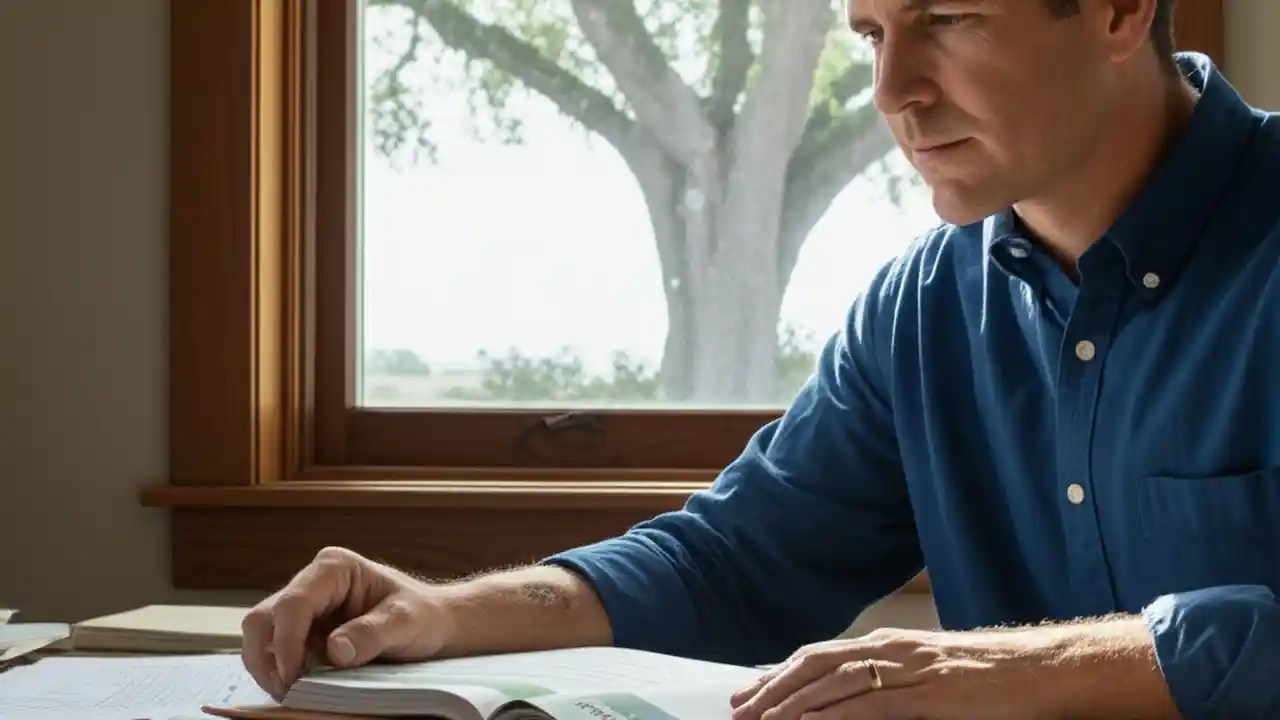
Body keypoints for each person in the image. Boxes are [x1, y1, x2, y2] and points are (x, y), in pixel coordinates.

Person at [242, 0, 1280, 717]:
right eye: (870, 30)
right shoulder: (919, 310)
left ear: (1115, 11)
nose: (891, 89)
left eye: (945, 20)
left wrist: (1010, 670)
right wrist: (437, 612)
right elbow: (733, 563)